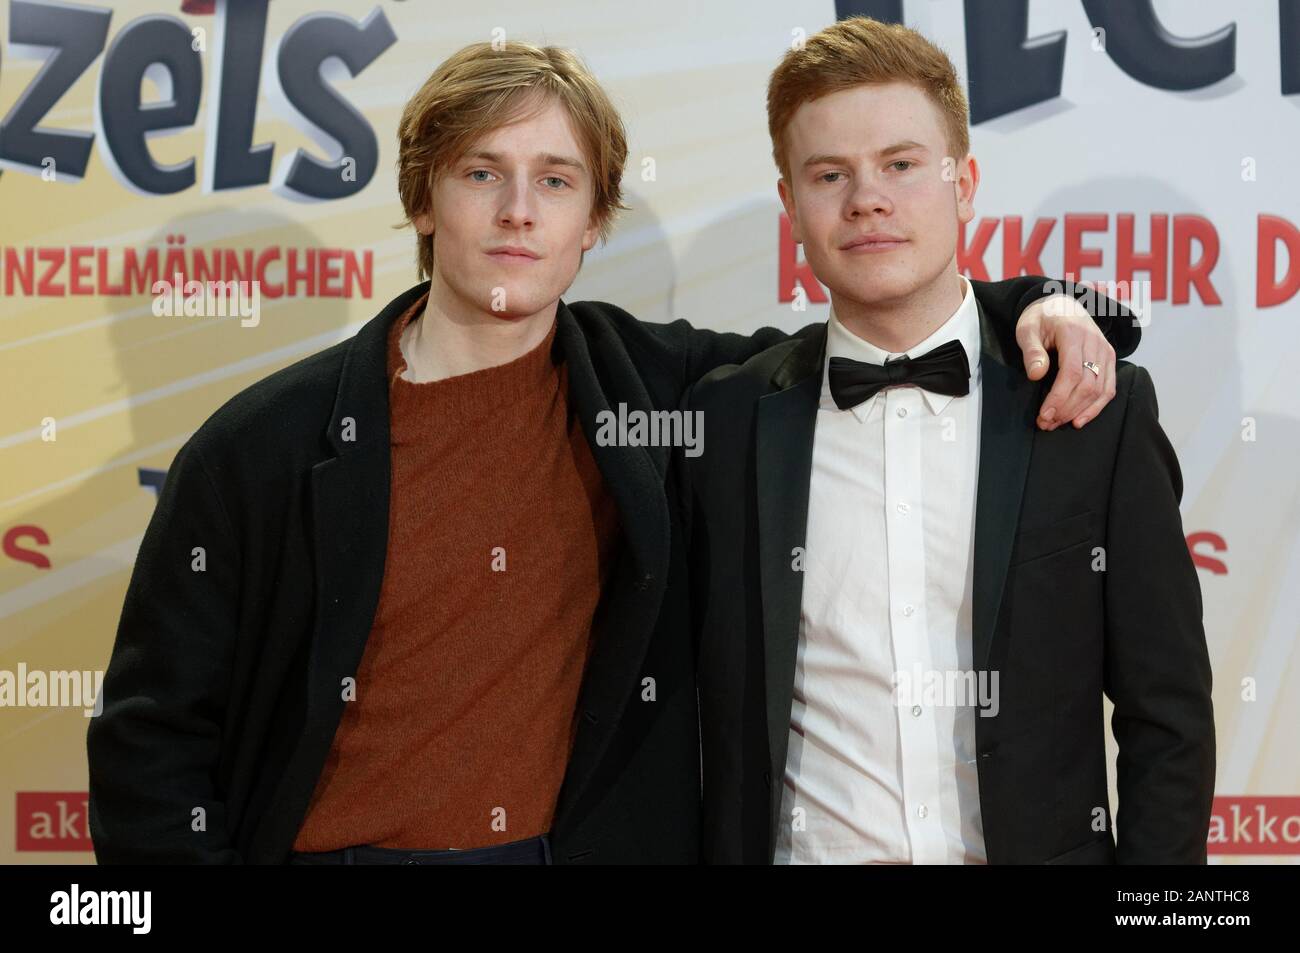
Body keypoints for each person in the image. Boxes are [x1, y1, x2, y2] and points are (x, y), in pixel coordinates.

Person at [87, 38, 1135, 864]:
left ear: (594, 221)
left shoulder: (670, 393)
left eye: (555, 180)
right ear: (420, 199)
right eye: (480, 173)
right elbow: (151, 737)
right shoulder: (263, 445)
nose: (516, 212)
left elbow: (885, 326)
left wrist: (1033, 305)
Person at [681, 17, 1214, 864]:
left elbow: (1169, 715)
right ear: (791, 207)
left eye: (900, 164)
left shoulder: (1092, 409)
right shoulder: (725, 422)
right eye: (829, 175)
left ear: (963, 182)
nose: (867, 200)